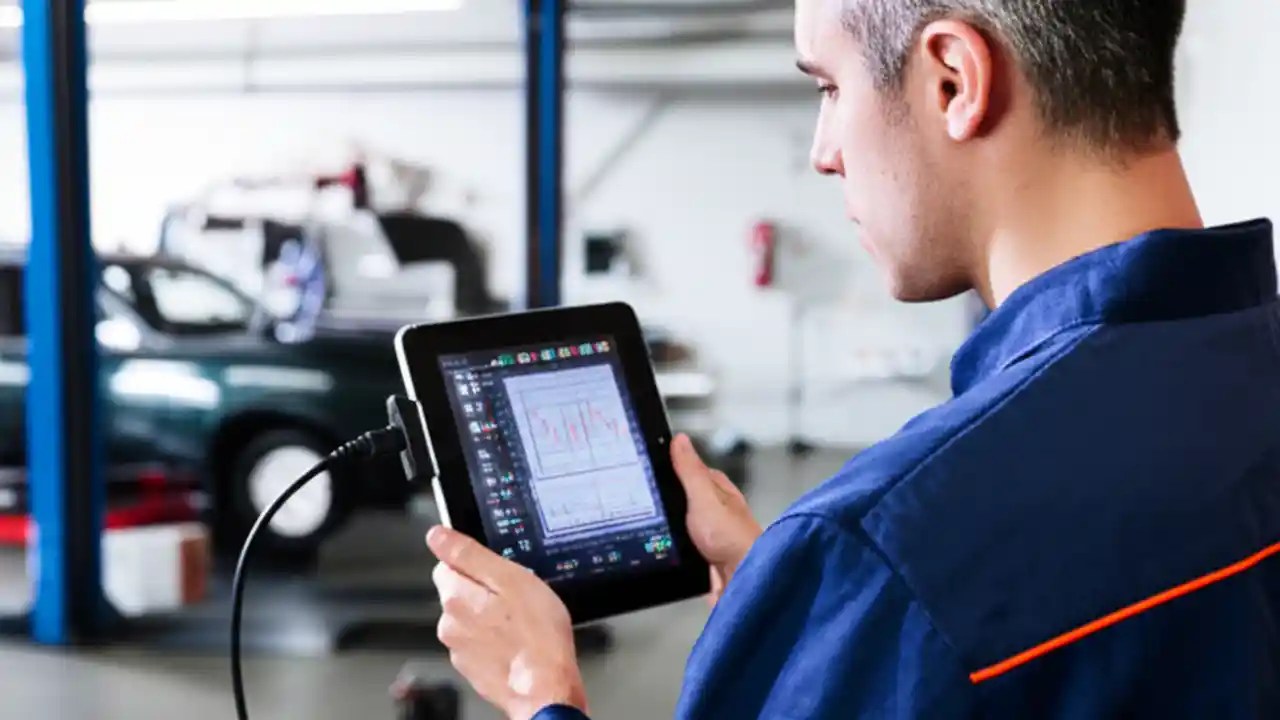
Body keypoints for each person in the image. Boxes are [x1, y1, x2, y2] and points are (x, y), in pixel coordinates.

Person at [425, 0, 1280, 717]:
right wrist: (817, 619)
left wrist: (544, 694)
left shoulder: (893, 550)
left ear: (955, 79)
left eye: (830, 87)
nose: (822, 149)